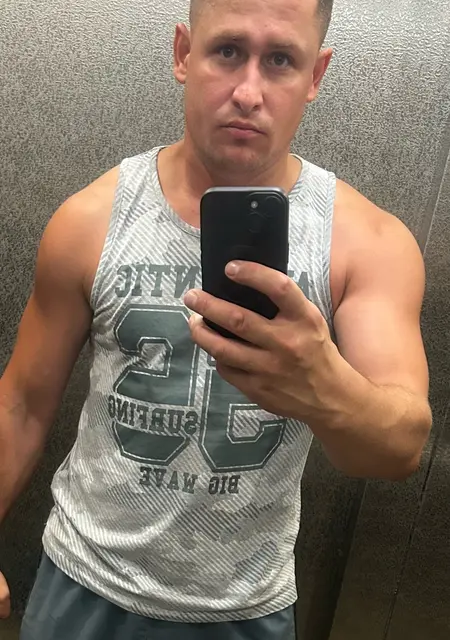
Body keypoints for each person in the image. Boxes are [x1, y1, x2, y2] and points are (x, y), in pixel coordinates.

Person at [0, 0, 432, 638]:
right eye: (228, 51)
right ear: (184, 53)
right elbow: (22, 403)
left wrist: (326, 387)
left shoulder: (366, 243)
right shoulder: (91, 220)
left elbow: (401, 448)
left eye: (280, 60)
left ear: (315, 75)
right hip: (83, 584)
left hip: (244, 607)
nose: (248, 92)